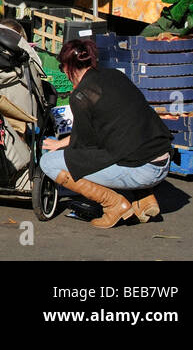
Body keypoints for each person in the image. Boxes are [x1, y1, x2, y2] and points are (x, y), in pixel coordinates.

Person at [40, 37, 173, 228]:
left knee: (50, 164)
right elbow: (116, 125)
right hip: (162, 159)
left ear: (69, 66)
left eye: (62, 68)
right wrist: (61, 143)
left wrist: (60, 149)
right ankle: (145, 199)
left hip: (143, 170)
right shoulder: (114, 75)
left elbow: (85, 147)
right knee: (122, 141)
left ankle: (114, 204)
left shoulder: (81, 96)